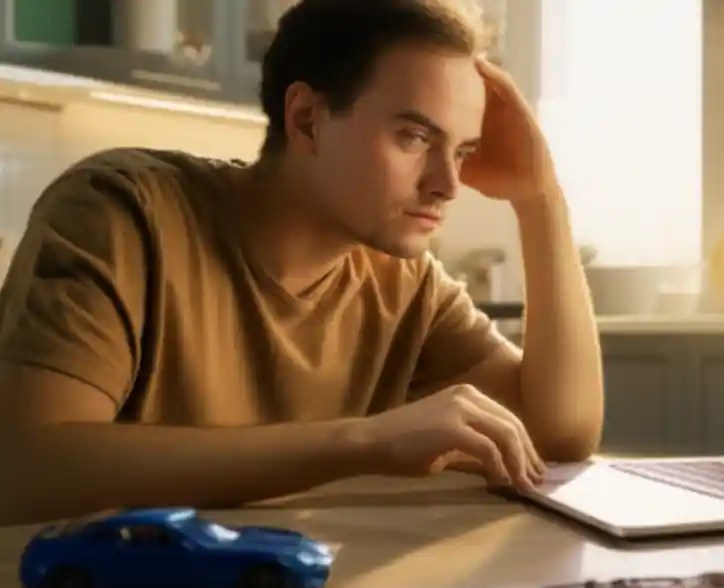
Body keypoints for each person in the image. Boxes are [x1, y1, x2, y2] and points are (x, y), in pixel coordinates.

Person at [0, 0, 604, 525]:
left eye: (463, 150)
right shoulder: (122, 214)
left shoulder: (404, 284)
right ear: (307, 119)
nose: (448, 183)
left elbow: (561, 432)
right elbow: (26, 469)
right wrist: (360, 443)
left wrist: (540, 199)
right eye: (415, 138)